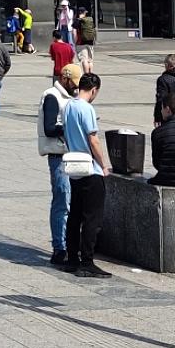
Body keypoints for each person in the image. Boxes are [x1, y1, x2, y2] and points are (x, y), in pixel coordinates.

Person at [60, 72, 111, 277]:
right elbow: (93, 139)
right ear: (94, 90)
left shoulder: (68, 106)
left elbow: (64, 133)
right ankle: (87, 261)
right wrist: (104, 165)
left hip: (74, 168)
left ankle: (72, 258)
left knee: (75, 215)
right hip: (90, 169)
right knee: (92, 217)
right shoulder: (87, 108)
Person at [37, 62, 80, 267]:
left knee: (71, 201)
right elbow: (49, 127)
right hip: (58, 155)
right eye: (74, 82)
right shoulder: (52, 96)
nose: (76, 87)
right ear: (65, 78)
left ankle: (68, 243)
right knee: (62, 199)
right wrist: (69, 127)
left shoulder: (68, 97)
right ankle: (59, 247)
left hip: (69, 154)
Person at [74, 8, 97, 72]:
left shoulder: (77, 21)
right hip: (90, 42)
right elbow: (94, 30)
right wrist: (94, 40)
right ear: (85, 12)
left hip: (81, 42)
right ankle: (91, 74)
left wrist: (75, 42)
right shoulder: (90, 20)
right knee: (90, 60)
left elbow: (74, 32)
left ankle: (86, 75)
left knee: (84, 60)